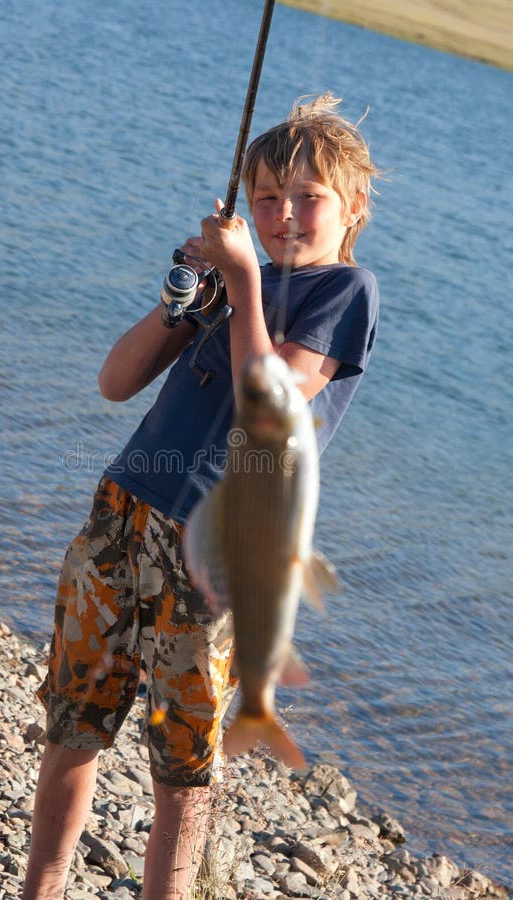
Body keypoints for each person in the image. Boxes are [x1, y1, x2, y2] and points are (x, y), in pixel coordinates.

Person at [23, 92, 381, 900]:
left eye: (307, 198)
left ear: (352, 207)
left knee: (181, 767)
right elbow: (115, 382)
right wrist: (183, 299)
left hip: (216, 551)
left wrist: (246, 278)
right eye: (265, 200)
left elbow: (270, 397)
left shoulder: (345, 292)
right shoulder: (229, 285)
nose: (283, 214)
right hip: (123, 510)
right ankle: (40, 887)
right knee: (75, 725)